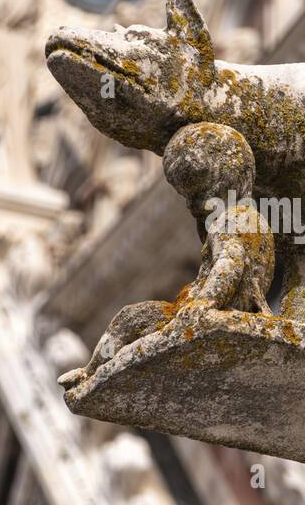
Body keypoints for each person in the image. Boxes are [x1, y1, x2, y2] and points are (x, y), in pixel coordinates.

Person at [59, 123, 274, 388]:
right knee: (133, 322)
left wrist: (203, 304)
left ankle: (93, 372)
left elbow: (230, 263)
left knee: (130, 321)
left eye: (195, 193)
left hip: (218, 308)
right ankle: (93, 371)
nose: (190, 204)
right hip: (226, 305)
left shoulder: (228, 220)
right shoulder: (252, 219)